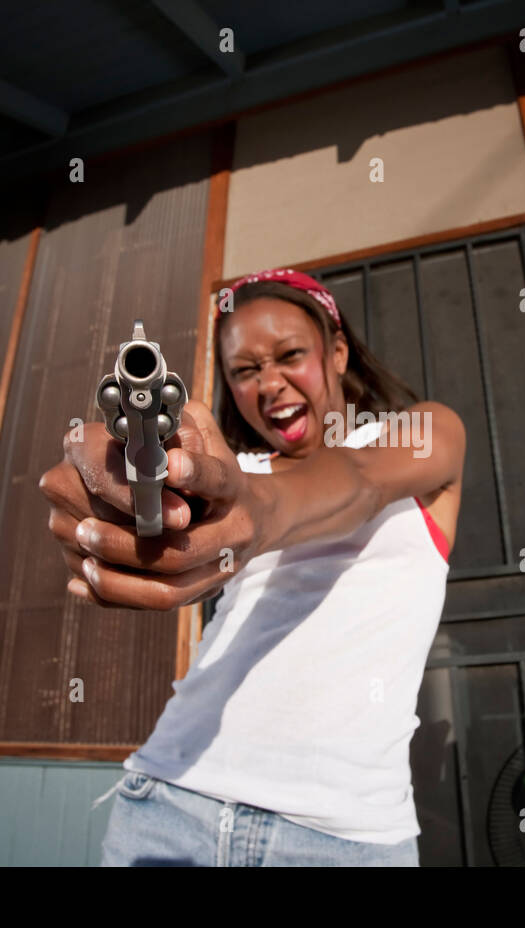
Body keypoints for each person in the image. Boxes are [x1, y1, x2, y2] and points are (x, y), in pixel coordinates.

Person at [38, 267, 466, 866]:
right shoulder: (241, 472)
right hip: (170, 803)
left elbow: (358, 480)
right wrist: (110, 502)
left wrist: (258, 513)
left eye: (290, 354)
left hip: (341, 839)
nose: (269, 384)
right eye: (245, 370)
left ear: (338, 351)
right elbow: (184, 500)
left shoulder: (427, 435)